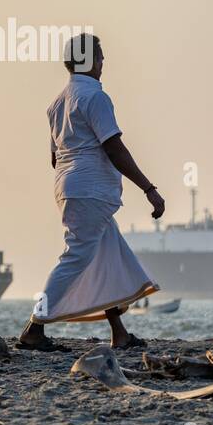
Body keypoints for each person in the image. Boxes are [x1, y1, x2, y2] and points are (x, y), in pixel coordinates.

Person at [17, 33, 164, 351]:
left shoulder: (57, 103)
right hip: (90, 190)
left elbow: (54, 157)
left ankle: (119, 334)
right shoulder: (95, 98)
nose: (102, 63)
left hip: (69, 187)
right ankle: (34, 327)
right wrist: (149, 189)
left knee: (106, 253)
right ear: (88, 61)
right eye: (99, 57)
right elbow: (114, 147)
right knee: (76, 256)